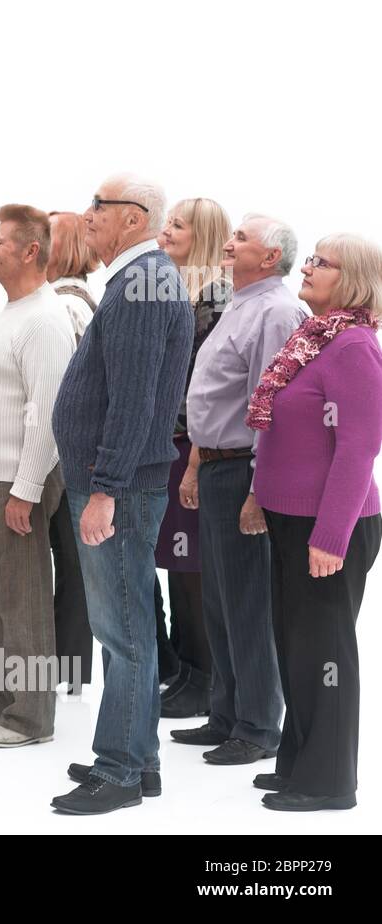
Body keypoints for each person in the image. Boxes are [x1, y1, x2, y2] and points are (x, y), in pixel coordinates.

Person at [50, 175, 193, 814]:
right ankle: (138, 758)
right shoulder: (142, 279)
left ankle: (123, 769)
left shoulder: (140, 283)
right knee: (124, 625)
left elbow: (134, 401)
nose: (87, 215)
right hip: (121, 483)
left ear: (132, 219)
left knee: (124, 630)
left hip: (120, 487)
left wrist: (104, 489)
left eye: (98, 206)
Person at [248, 234, 382, 811]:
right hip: (289, 520)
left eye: (320, 262)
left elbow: (359, 449)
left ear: (350, 278)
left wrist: (331, 537)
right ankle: (299, 763)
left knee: (324, 652)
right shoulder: (314, 338)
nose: (307, 268)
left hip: (331, 527)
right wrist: (259, 496)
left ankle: (329, 783)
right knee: (297, 647)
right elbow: (285, 437)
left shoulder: (353, 346)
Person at [176, 214, 305, 761]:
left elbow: (268, 408)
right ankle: (225, 714)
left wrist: (257, 489)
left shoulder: (276, 312)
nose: (229, 243)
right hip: (216, 466)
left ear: (271, 257)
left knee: (248, 600)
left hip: (243, 472)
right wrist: (196, 465)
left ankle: (256, 727)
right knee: (220, 599)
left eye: (243, 239)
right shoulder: (239, 302)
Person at [0, 205, 74, 748]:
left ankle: (32, 717)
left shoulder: (46, 319)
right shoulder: (15, 312)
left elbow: (47, 414)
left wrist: (25, 490)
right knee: (3, 598)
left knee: (24, 601)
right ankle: (6, 699)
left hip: (14, 484)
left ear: (30, 252)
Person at [153, 198, 231, 719]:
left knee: (192, 565)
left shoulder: (214, 299)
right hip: (178, 443)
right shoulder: (182, 292)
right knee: (179, 565)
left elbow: (210, 387)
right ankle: (187, 670)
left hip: (194, 444)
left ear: (201, 237)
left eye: (178, 226)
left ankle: (203, 678)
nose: (165, 233)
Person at [45, 210, 97, 691]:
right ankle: (69, 670)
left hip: (60, 457)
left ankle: (64, 670)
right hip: (69, 454)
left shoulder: (65, 305)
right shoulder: (73, 301)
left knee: (65, 560)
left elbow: (60, 391)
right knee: (71, 559)